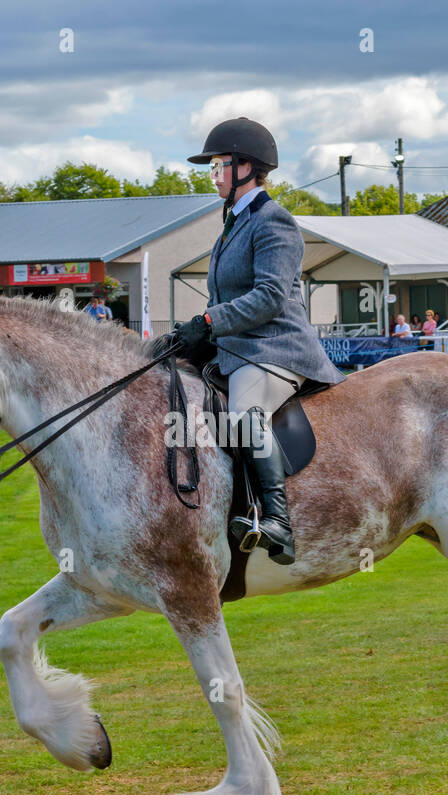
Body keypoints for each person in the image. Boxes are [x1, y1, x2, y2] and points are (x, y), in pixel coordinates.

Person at [162, 116, 344, 565]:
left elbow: (269, 296)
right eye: (213, 168)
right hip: (237, 348)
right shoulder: (233, 223)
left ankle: (277, 522)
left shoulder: (272, 220)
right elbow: (224, 297)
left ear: (246, 166)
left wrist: (209, 321)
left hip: (274, 348)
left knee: (244, 415)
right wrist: (193, 337)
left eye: (219, 165)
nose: (213, 175)